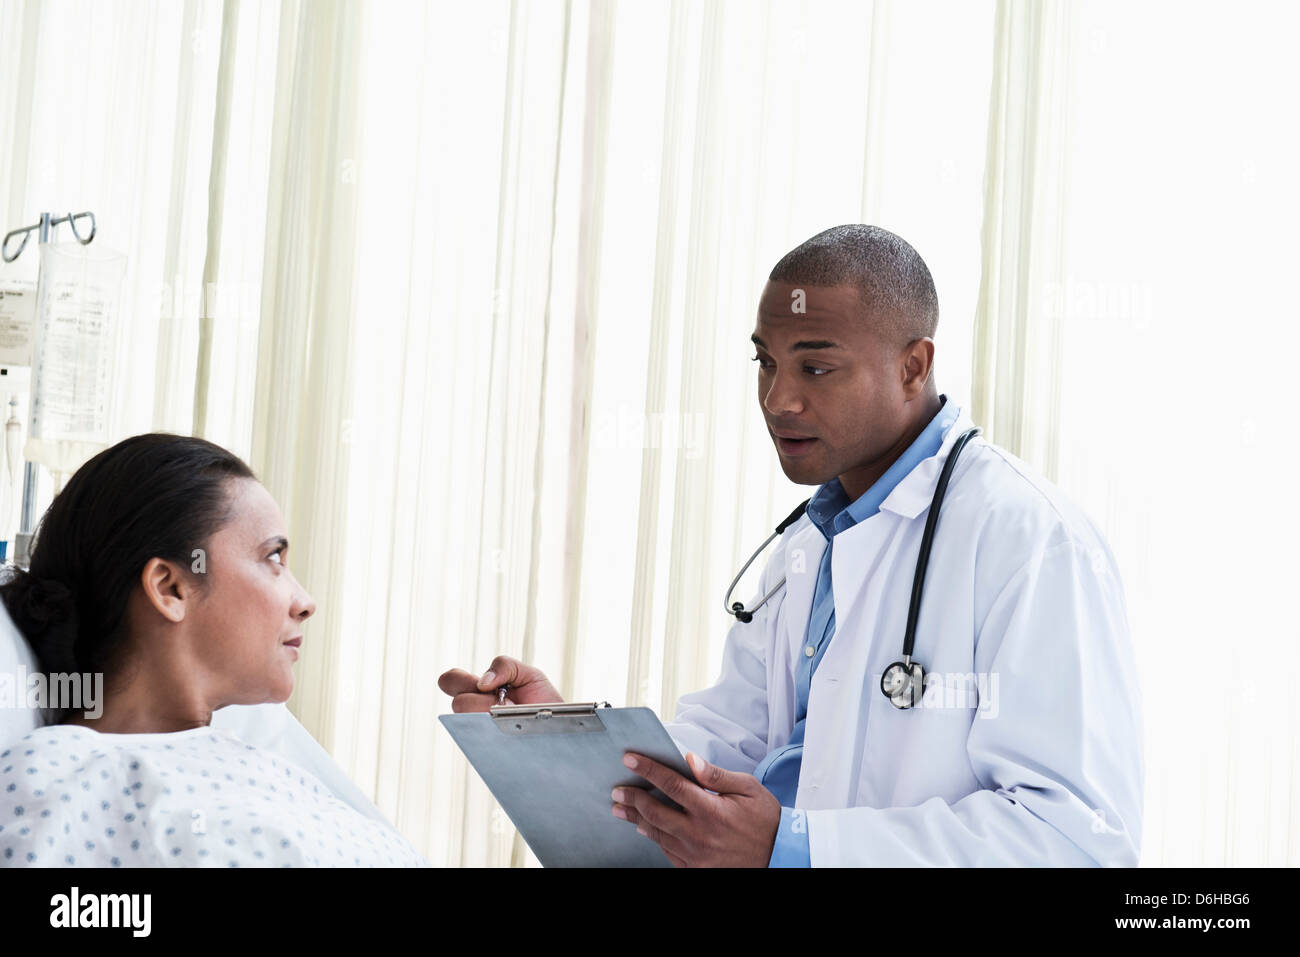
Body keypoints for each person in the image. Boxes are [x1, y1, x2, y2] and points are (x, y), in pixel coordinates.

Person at [439, 224, 1144, 867]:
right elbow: (723, 762)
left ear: (913, 365)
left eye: (815, 367)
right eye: (765, 362)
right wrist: (568, 747)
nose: (778, 399)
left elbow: (1075, 839)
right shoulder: (806, 548)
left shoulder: (1030, 541)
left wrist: (799, 847)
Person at [0, 433, 427, 867]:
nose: (305, 602)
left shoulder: (270, 773)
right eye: (273, 558)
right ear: (171, 588)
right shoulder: (62, 780)